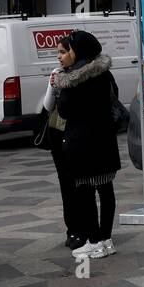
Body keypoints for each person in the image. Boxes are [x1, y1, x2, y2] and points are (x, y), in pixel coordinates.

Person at [54, 30, 121, 260]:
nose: (64, 54)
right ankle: (106, 239)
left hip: (83, 144)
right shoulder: (104, 74)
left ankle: (93, 242)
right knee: (106, 190)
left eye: (68, 49)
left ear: (78, 51)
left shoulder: (74, 80)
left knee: (85, 192)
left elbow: (63, 110)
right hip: (105, 141)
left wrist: (59, 86)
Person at [40, 48, 82, 249]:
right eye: (58, 52)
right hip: (57, 133)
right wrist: (51, 85)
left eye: (63, 51)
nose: (59, 56)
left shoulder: (82, 74)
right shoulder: (57, 73)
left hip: (75, 135)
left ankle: (84, 228)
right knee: (65, 183)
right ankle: (71, 229)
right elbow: (48, 106)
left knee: (79, 182)